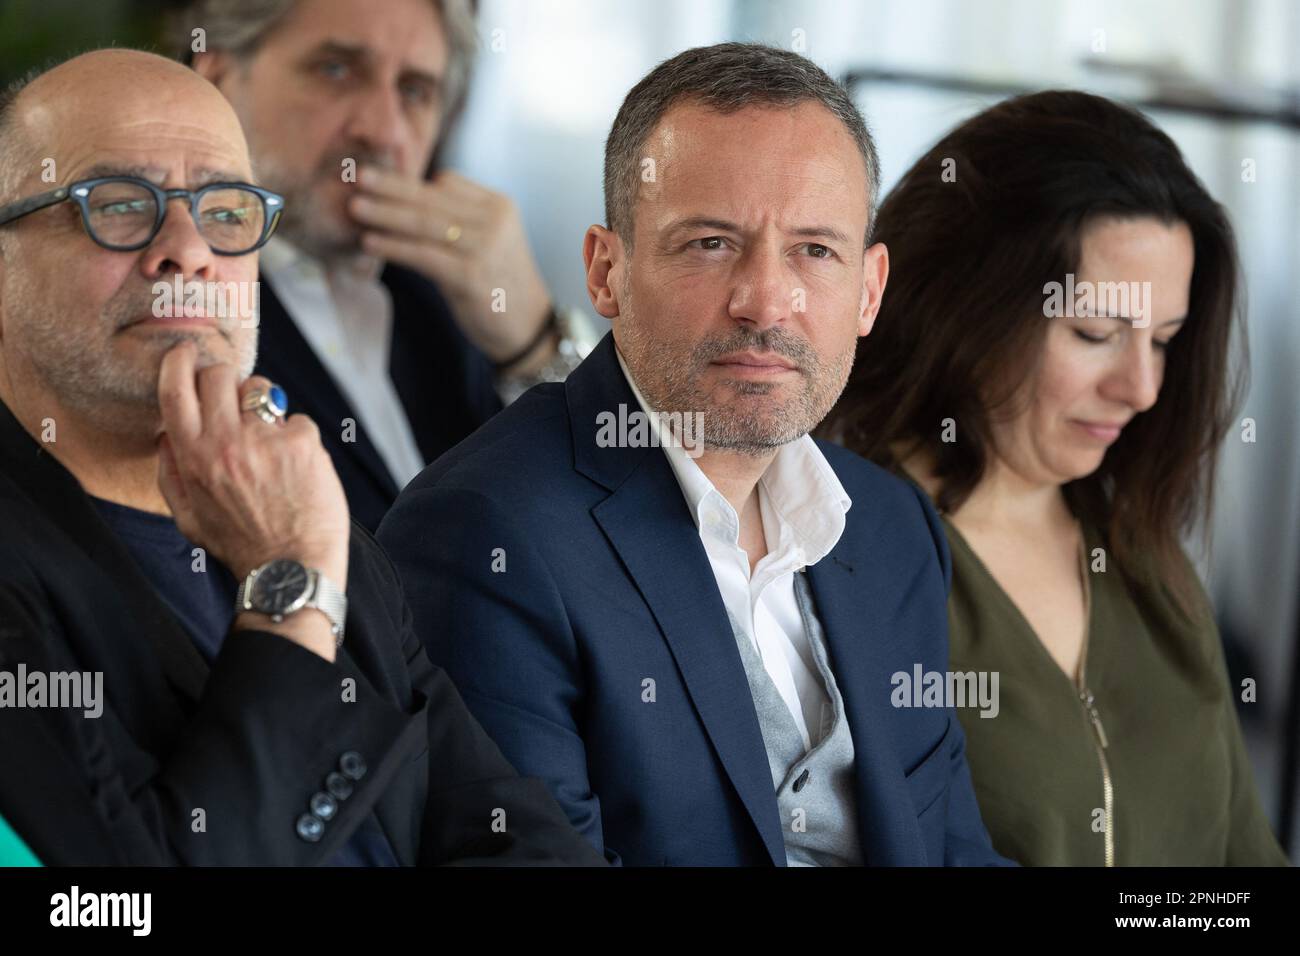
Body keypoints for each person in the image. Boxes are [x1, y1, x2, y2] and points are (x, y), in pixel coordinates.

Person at [379, 42, 1011, 866]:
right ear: (608, 273)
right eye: (711, 243)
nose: (765, 302)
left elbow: (954, 853)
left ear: (868, 290)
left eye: (814, 250)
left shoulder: (894, 531)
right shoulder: (482, 538)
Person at [0, 49, 602, 866]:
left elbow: (504, 830)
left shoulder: (303, 510)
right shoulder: (297, 544)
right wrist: (291, 593)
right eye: (116, 204)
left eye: (224, 211)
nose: (187, 250)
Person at [819, 90, 1289, 866]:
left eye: (1164, 341)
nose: (1141, 389)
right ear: (970, 306)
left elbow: (1245, 854)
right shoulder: (840, 549)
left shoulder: (1139, 552)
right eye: (1095, 333)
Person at [178, 0, 599, 531]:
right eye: (336, 69)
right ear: (217, 78)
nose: (382, 132)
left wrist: (535, 345)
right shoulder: (176, 301)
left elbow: (617, 534)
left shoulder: (454, 292)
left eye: (414, 91)